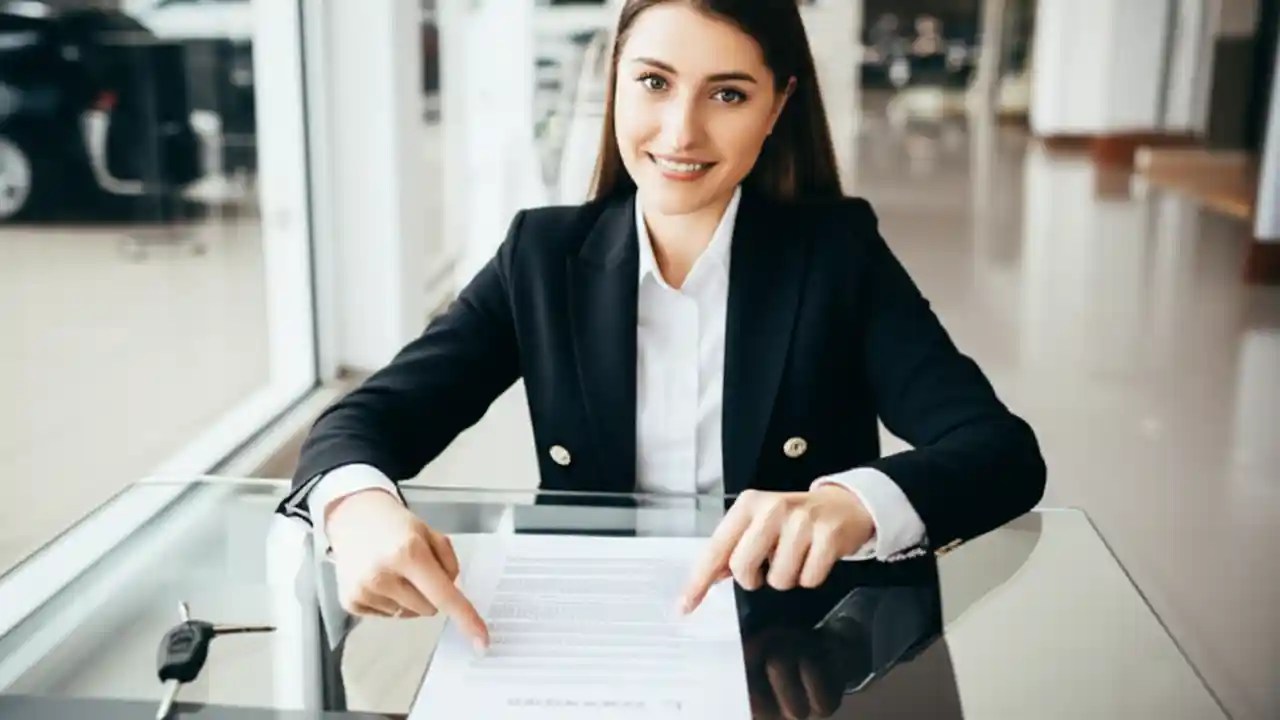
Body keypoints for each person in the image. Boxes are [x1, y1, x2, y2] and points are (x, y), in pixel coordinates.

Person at [274, 0, 1045, 653]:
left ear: (779, 106)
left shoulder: (837, 254)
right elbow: (365, 420)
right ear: (614, 85)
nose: (681, 132)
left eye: (729, 94)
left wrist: (849, 504)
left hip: (801, 648)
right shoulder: (541, 256)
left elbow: (999, 452)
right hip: (599, 639)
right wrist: (357, 510)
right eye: (653, 82)